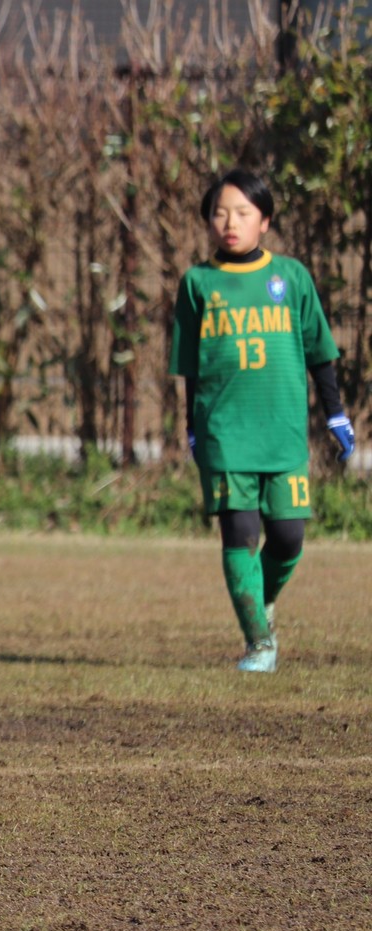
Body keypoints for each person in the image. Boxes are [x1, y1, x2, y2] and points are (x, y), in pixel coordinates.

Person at [171, 168, 354, 673]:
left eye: (243, 213)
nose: (230, 222)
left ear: (265, 221)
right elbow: (190, 365)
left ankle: (263, 601)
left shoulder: (291, 278)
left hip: (284, 431)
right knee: (240, 535)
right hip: (225, 434)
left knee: (290, 537)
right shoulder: (197, 284)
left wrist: (335, 413)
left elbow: (320, 352)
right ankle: (259, 643)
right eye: (220, 213)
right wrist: (192, 425)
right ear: (209, 221)